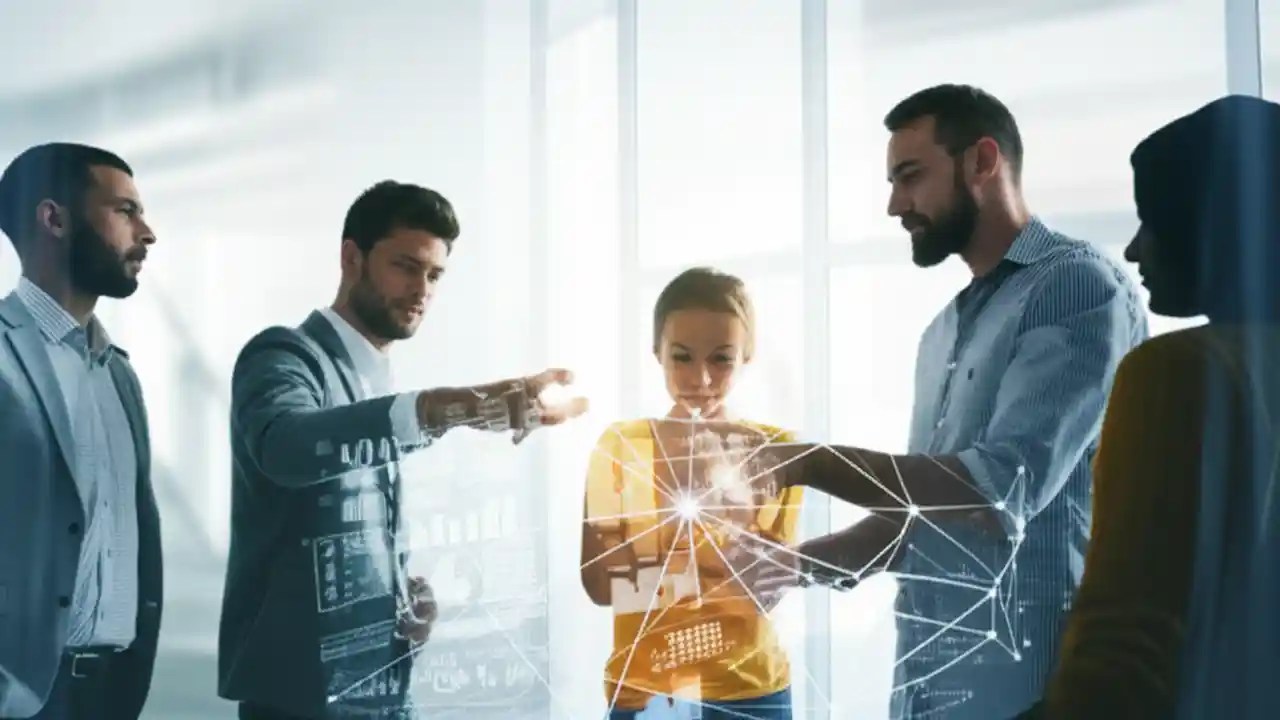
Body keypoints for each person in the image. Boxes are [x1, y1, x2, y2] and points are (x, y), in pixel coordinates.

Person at [747, 84, 1147, 719]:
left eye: (910, 176)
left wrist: (810, 463)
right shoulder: (941, 333)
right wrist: (789, 566)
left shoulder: (1075, 285)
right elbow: (918, 517)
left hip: (1028, 689)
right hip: (927, 679)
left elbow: (993, 492)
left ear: (982, 161)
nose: (894, 205)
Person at [218, 180, 587, 720]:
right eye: (406, 266)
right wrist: (445, 408)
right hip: (299, 699)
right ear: (351, 258)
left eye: (435, 274)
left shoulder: (377, 381)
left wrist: (396, 592)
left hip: (380, 689)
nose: (422, 290)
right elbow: (286, 446)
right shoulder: (283, 355)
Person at [1014, 94, 1280, 719]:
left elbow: (1126, 641)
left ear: (1210, 225)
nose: (1134, 251)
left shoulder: (1186, 371)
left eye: (1155, 219)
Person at [580, 267, 803, 720]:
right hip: (646, 693)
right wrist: (711, 571)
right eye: (681, 356)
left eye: (721, 359)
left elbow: (763, 592)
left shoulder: (777, 449)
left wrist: (660, 569)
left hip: (752, 693)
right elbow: (600, 585)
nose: (700, 379)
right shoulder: (623, 446)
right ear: (656, 352)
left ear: (747, 355)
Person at [0, 143, 162, 719]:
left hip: (109, 696)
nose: (147, 233)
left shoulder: (119, 373)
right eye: (125, 211)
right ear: (54, 219)